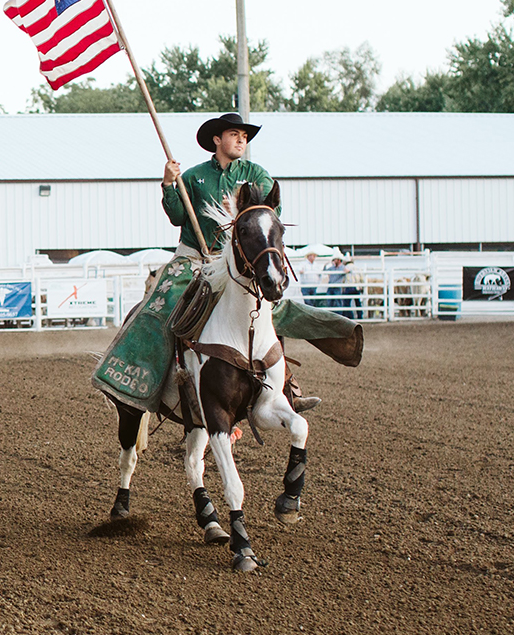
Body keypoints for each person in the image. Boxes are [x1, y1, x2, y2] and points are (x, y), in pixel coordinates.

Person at [94, 113, 363, 416]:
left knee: (270, 308)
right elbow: (178, 217)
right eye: (235, 135)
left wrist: (241, 211)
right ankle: (142, 381)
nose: (241, 141)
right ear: (217, 140)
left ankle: (288, 385)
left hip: (237, 262)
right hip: (193, 257)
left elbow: (269, 213)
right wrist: (169, 184)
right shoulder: (193, 176)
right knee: (162, 303)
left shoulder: (257, 175)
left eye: (244, 137)